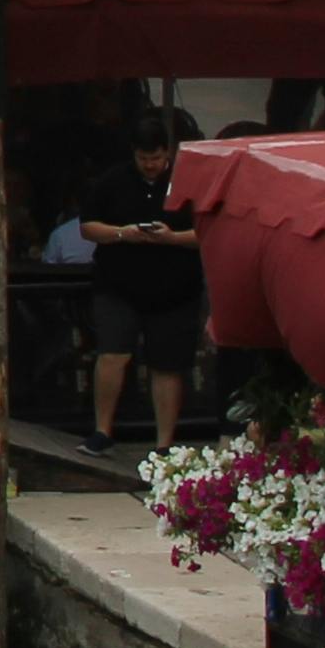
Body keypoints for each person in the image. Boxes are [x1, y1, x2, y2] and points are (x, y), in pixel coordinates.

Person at [67, 109, 212, 455]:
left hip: (174, 290)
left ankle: (164, 443)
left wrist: (171, 238)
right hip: (119, 286)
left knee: (167, 364)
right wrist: (123, 233)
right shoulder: (113, 181)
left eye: (157, 158)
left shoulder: (186, 183)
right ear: (134, 153)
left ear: (168, 154)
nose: (150, 165)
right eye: (145, 158)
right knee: (113, 354)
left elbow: (208, 234)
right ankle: (102, 430)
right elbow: (88, 227)